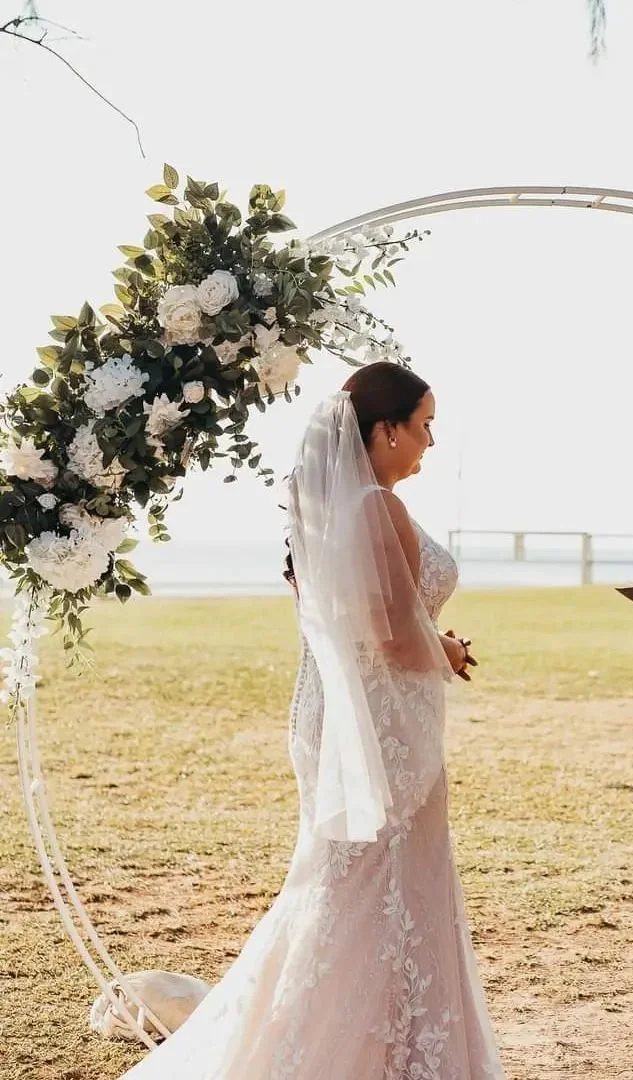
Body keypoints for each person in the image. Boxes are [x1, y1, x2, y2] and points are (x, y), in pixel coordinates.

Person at [123, 363, 501, 1079]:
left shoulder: (322, 505)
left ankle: (340, 1035)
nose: (429, 441)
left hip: (346, 721)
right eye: (422, 426)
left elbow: (343, 621)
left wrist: (425, 643)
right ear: (384, 430)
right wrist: (446, 647)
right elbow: (394, 635)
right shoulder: (376, 508)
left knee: (343, 882)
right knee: (383, 886)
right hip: (390, 731)